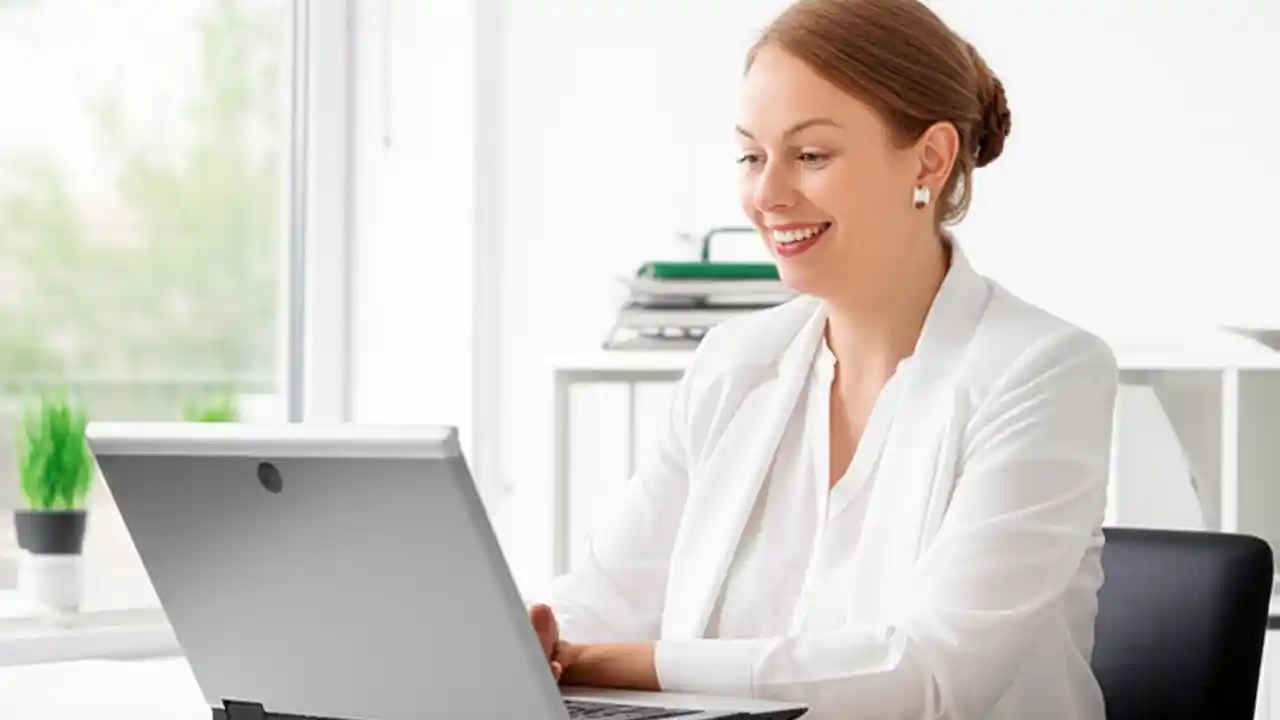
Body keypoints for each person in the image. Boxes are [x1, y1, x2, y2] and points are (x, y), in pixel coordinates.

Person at [529, 0, 1118, 717]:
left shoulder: (1044, 371)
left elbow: (927, 677)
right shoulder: (734, 365)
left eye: (810, 155)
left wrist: (609, 663)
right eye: (751, 156)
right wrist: (530, 638)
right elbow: (600, 602)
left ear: (930, 158)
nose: (766, 195)